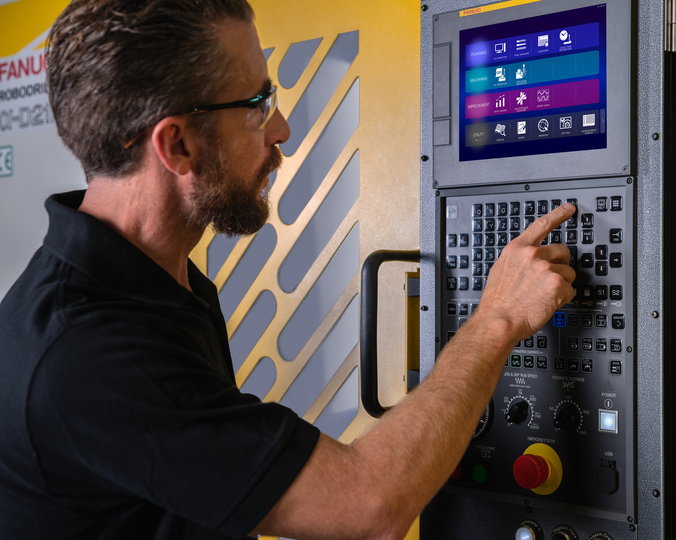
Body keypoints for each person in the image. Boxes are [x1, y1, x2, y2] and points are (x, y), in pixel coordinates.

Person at [0, 1, 576, 539]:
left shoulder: (161, 282)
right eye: (256, 105)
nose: (281, 129)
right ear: (176, 146)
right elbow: (370, 505)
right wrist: (497, 319)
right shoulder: (90, 352)